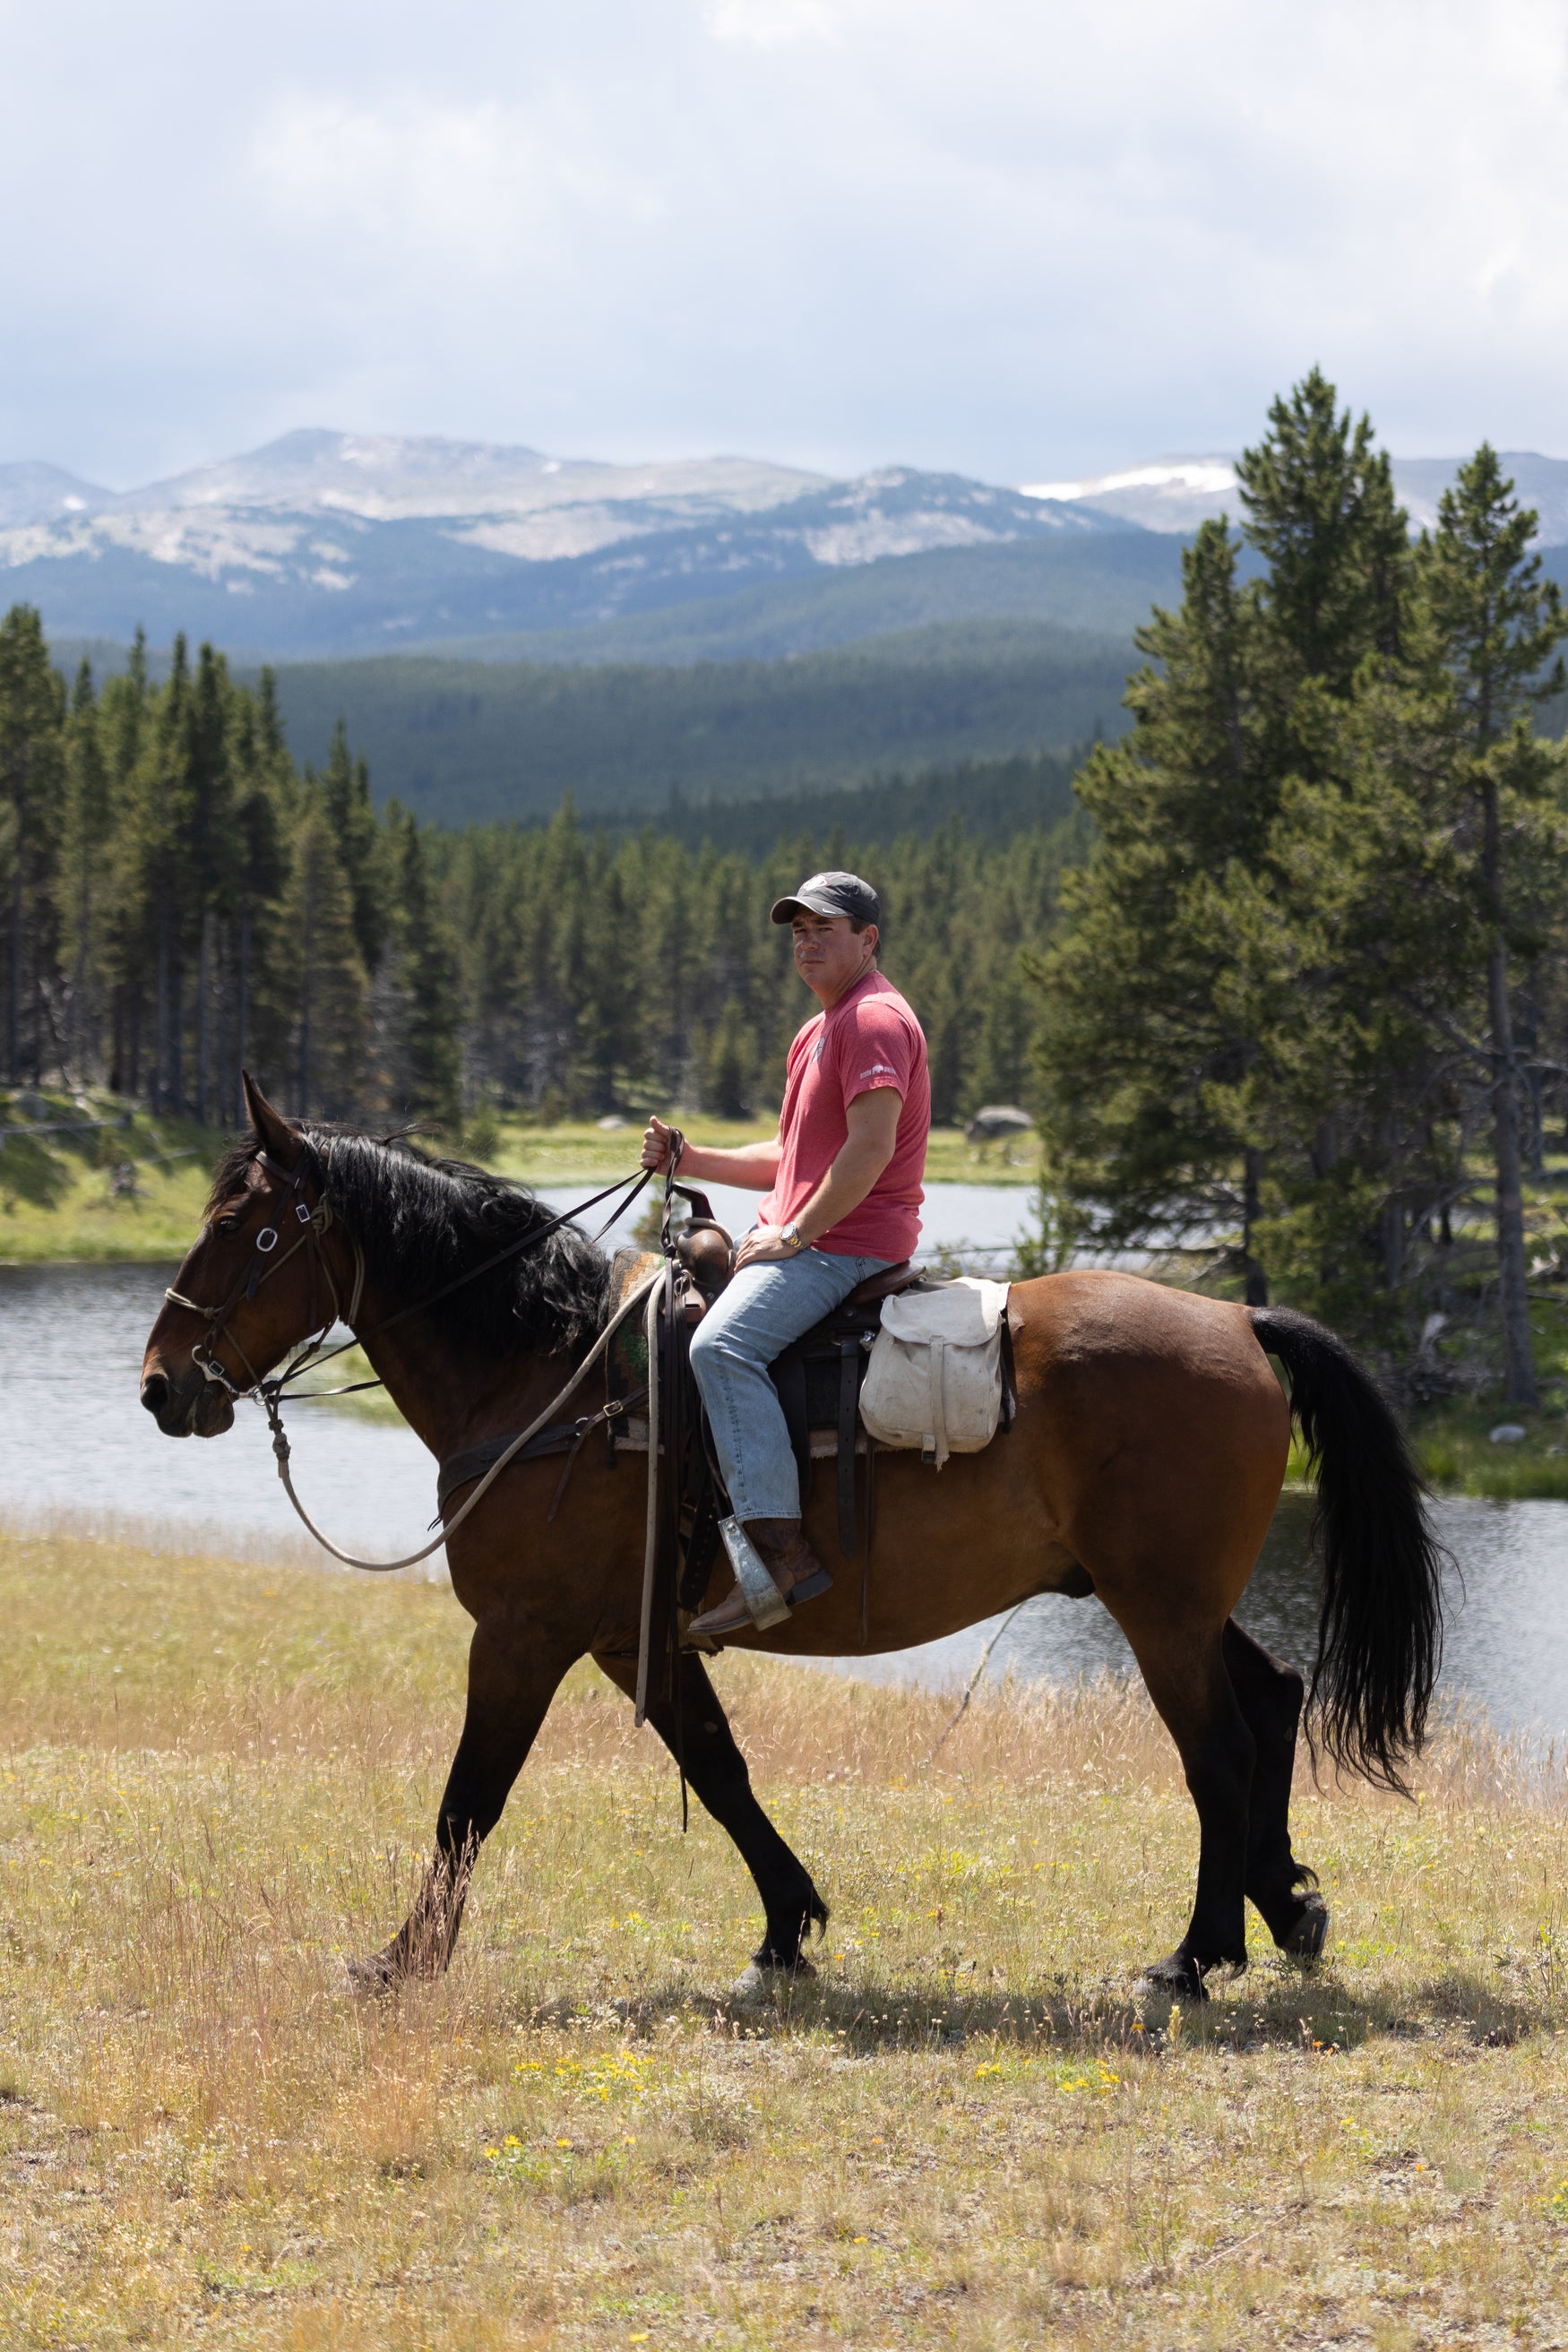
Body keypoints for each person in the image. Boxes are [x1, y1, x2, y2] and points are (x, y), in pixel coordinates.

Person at [642, 870, 931, 1638]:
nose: (806, 943)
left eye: (823, 930)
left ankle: (779, 1554)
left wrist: (793, 1235)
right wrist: (689, 1156)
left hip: (846, 1244)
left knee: (722, 1346)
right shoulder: (819, 1027)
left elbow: (867, 1153)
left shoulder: (873, 1019)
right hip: (816, 1235)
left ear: (868, 939)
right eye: (798, 931)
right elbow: (788, 1154)